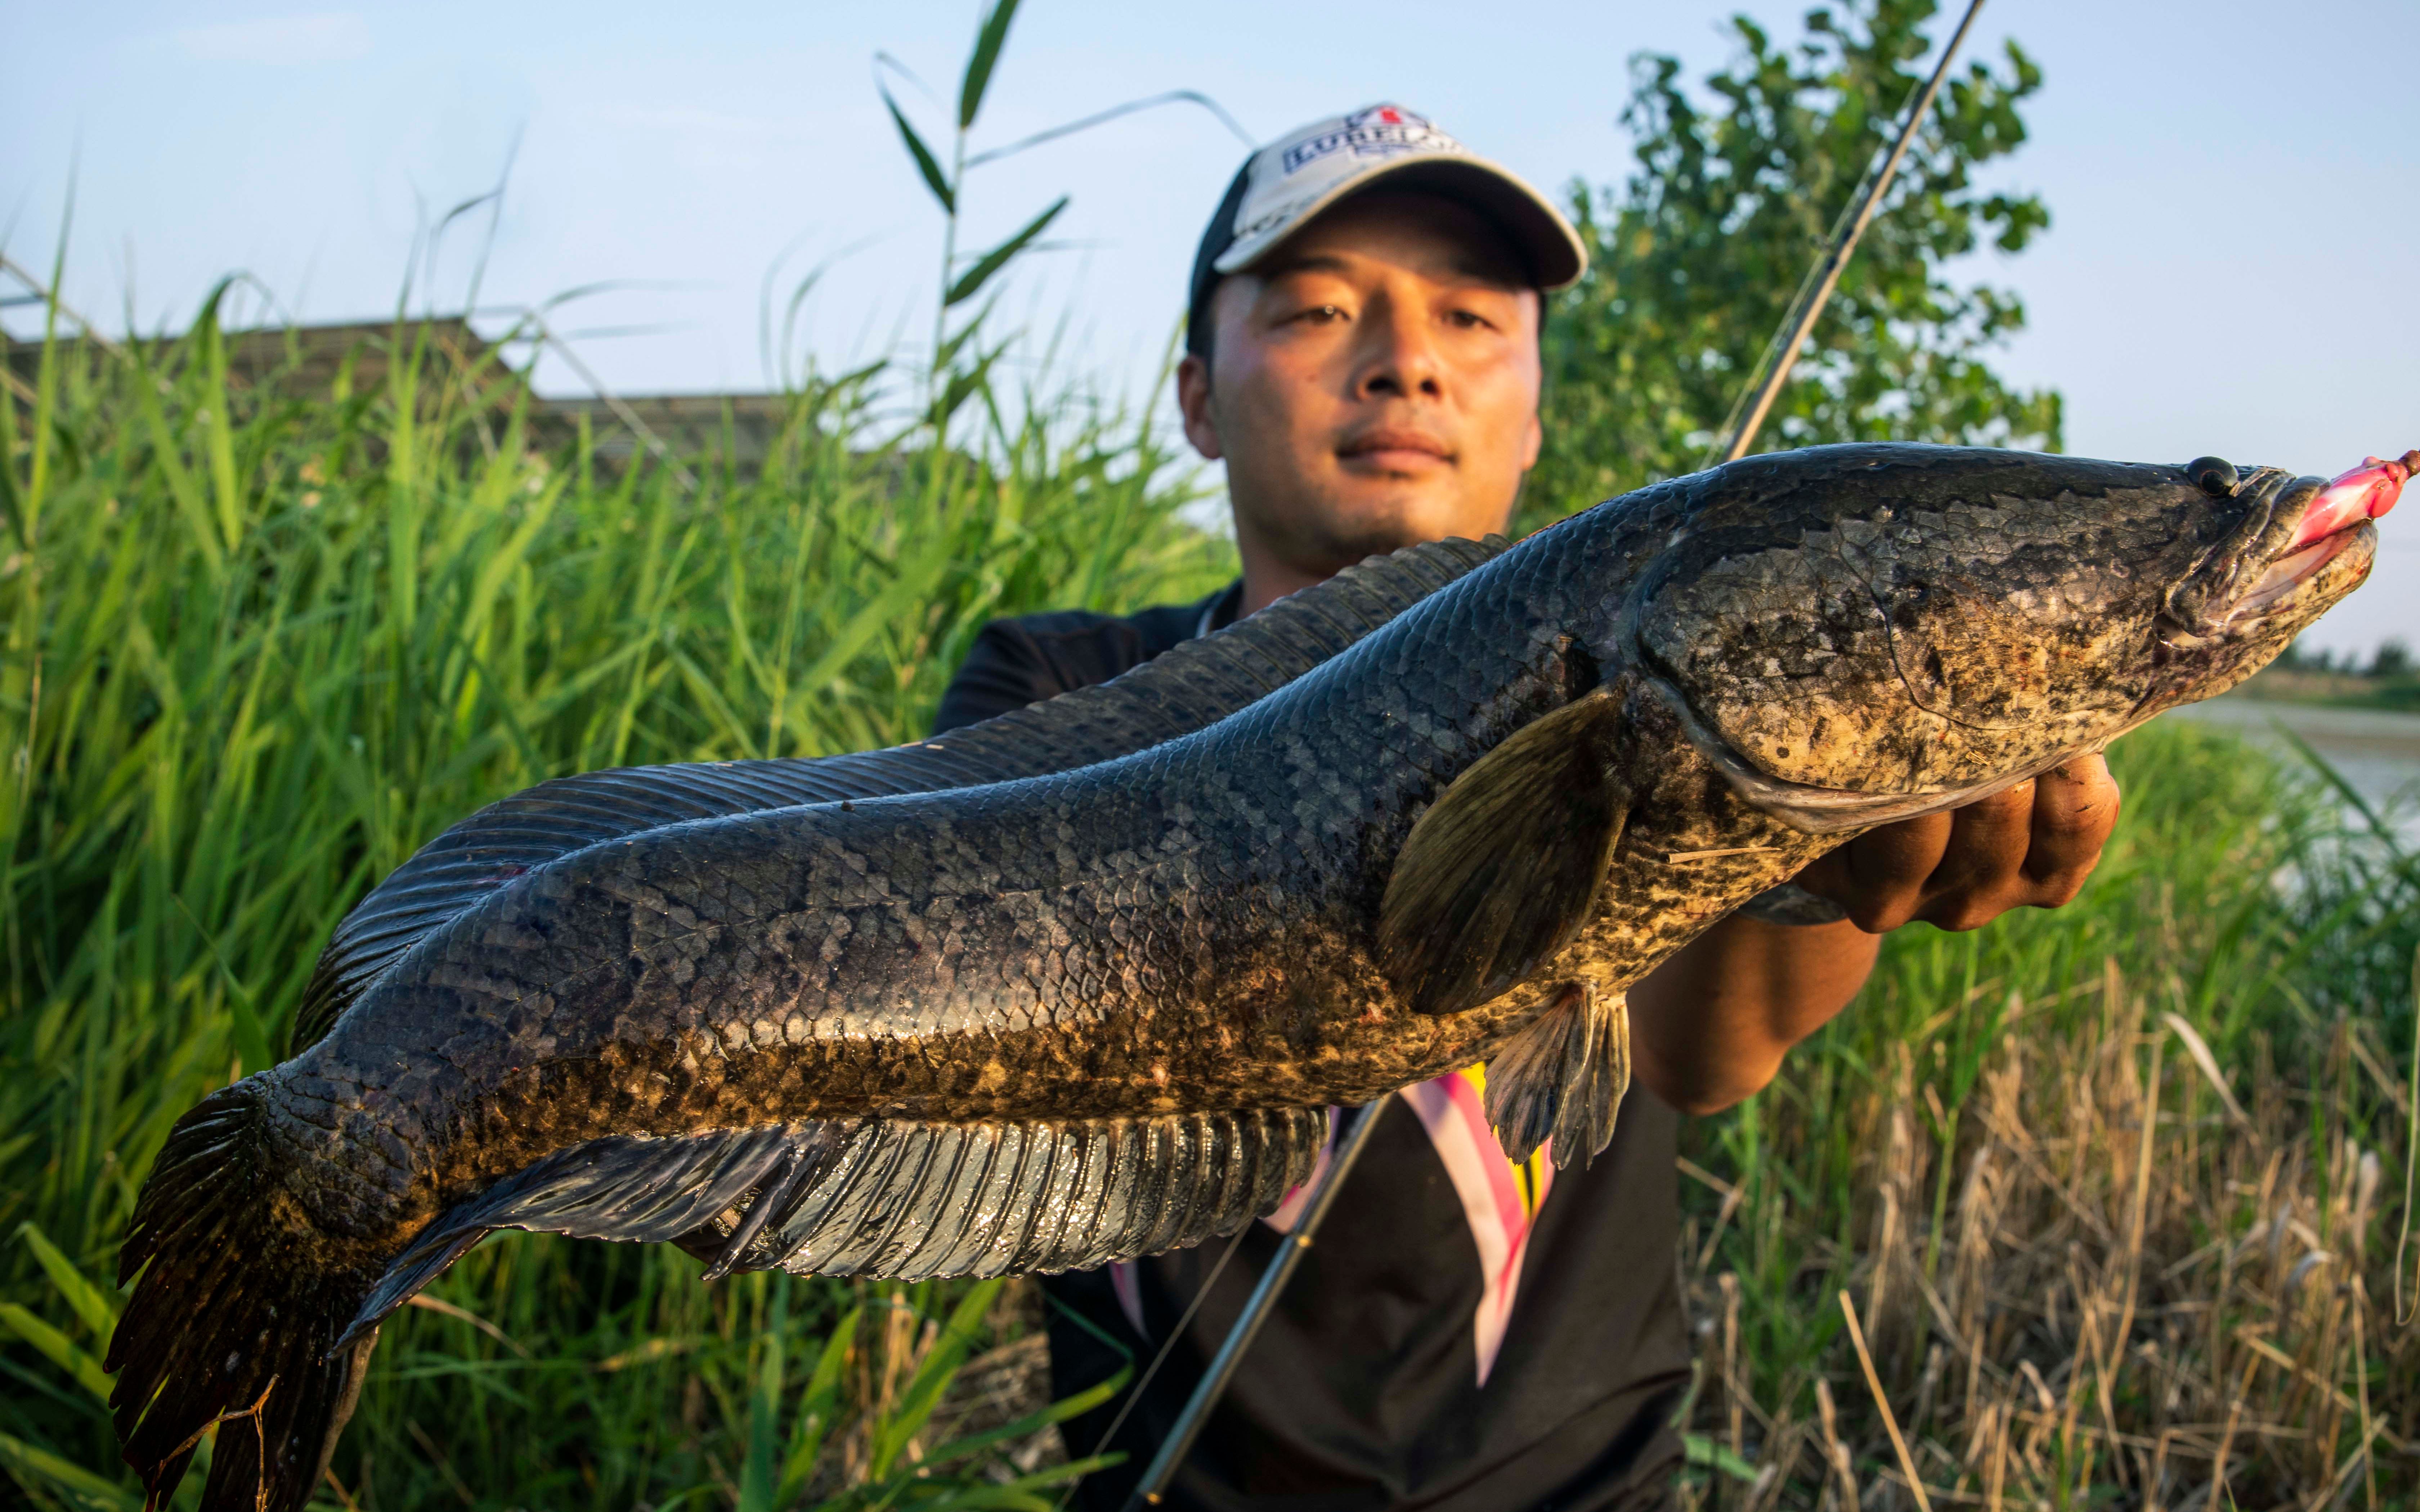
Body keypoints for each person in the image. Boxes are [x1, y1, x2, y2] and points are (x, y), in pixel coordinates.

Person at [931, 104, 2120, 1512]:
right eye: (1317, 309)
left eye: (1473, 320)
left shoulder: (1649, 686)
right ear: (1197, 395)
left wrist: (1843, 838)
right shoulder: (1063, 686)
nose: (1406, 362)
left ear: (1535, 412)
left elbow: (1707, 1049)